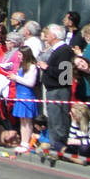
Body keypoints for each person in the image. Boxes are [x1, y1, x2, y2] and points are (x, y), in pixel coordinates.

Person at [36, 23, 74, 165]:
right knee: (53, 119)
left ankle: (59, 148)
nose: (46, 37)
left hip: (59, 91)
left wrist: (47, 68)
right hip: (53, 90)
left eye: (48, 34)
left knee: (58, 120)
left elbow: (65, 76)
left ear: (54, 36)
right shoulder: (57, 50)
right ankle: (54, 147)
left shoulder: (64, 50)